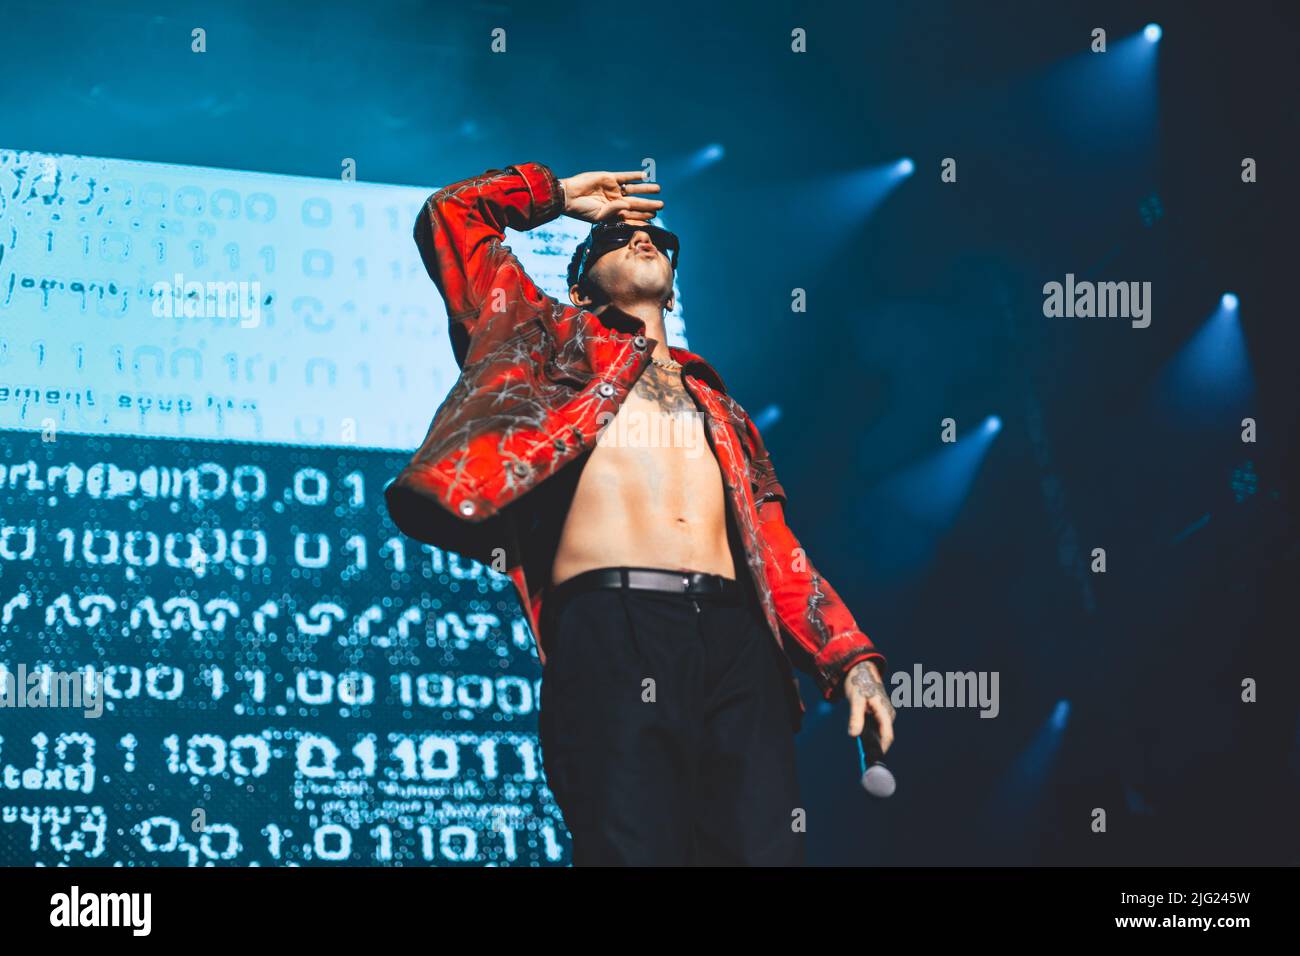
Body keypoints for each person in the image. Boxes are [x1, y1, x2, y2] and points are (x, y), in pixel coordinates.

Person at [384, 163, 896, 865]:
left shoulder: (720, 404)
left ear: (675, 284)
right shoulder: (539, 336)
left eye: (655, 236)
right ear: (578, 283)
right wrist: (559, 198)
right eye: (617, 238)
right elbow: (449, 218)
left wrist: (848, 659)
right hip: (613, 626)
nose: (642, 237)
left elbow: (773, 545)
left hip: (738, 641)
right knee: (633, 850)